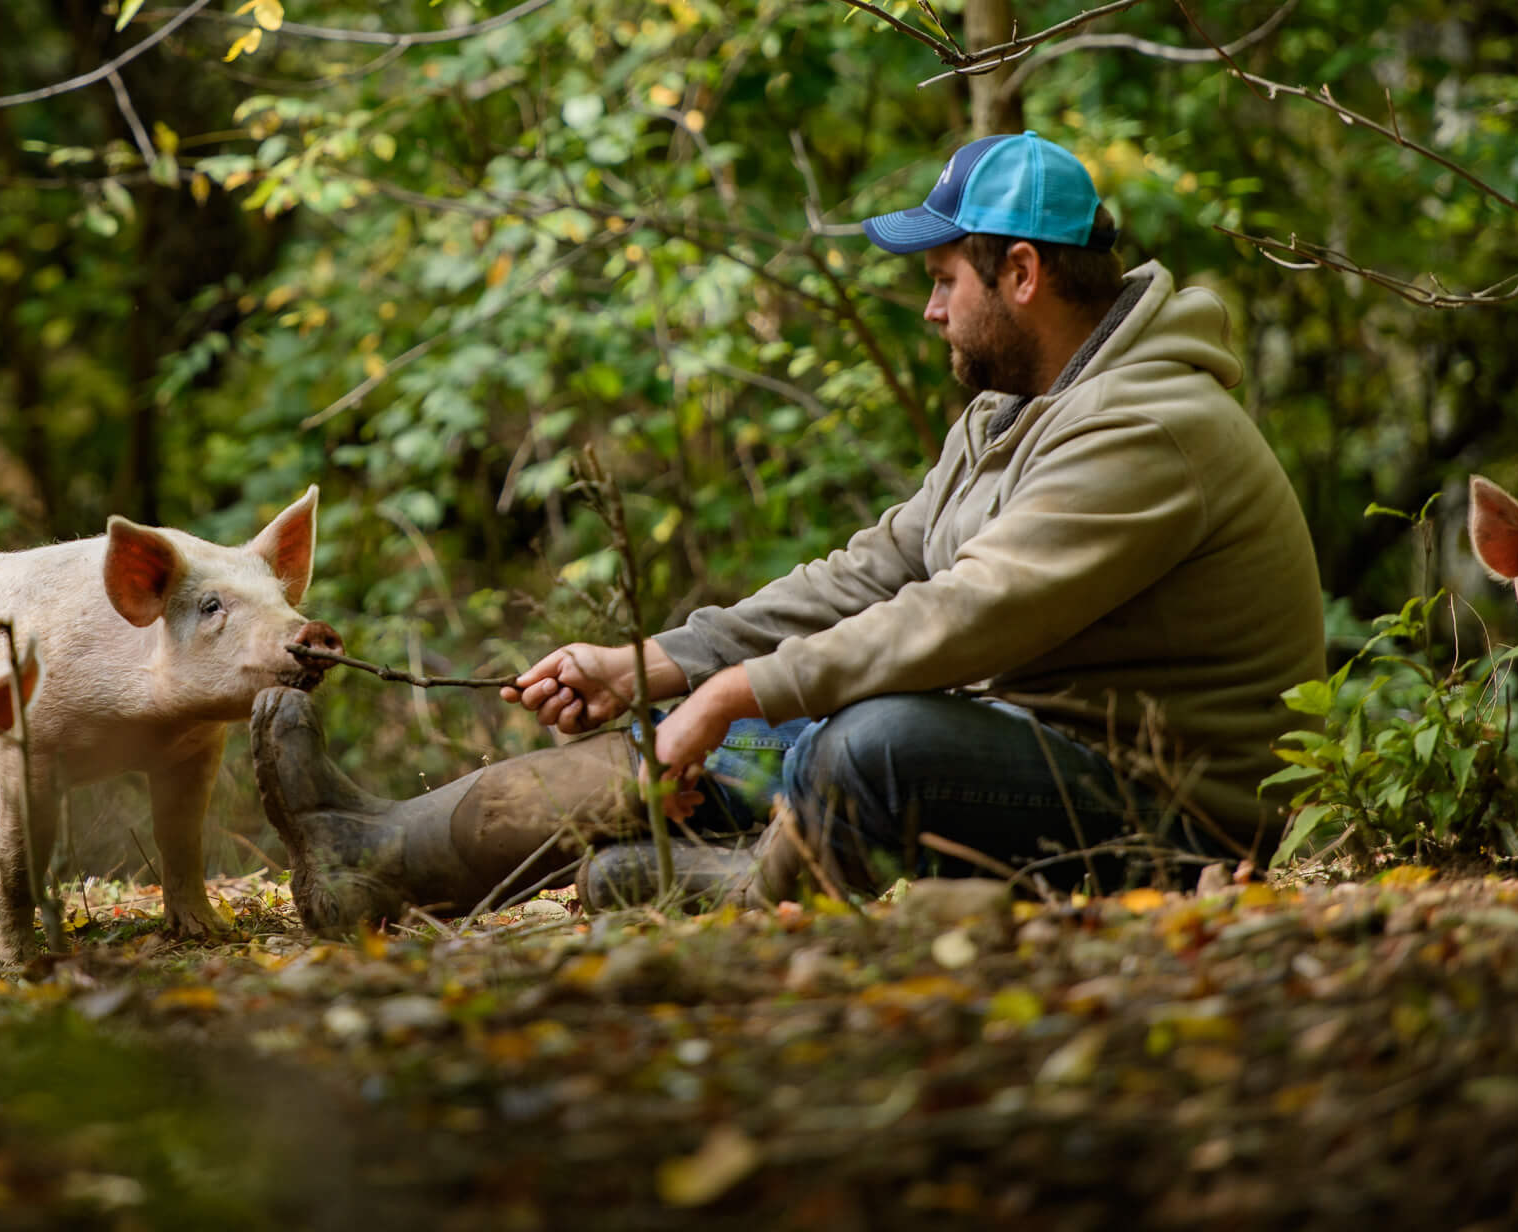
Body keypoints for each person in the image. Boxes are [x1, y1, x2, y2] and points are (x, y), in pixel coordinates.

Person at [253, 130, 1325, 929]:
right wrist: (664, 665)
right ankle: (375, 859)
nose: (932, 310)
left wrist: (733, 691)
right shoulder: (1014, 412)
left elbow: (968, 614)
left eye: (945, 280)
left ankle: (729, 889)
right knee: (759, 731)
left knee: (869, 742)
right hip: (1032, 754)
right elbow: (880, 568)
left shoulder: (1150, 427)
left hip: (1171, 819)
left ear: (1022, 275)